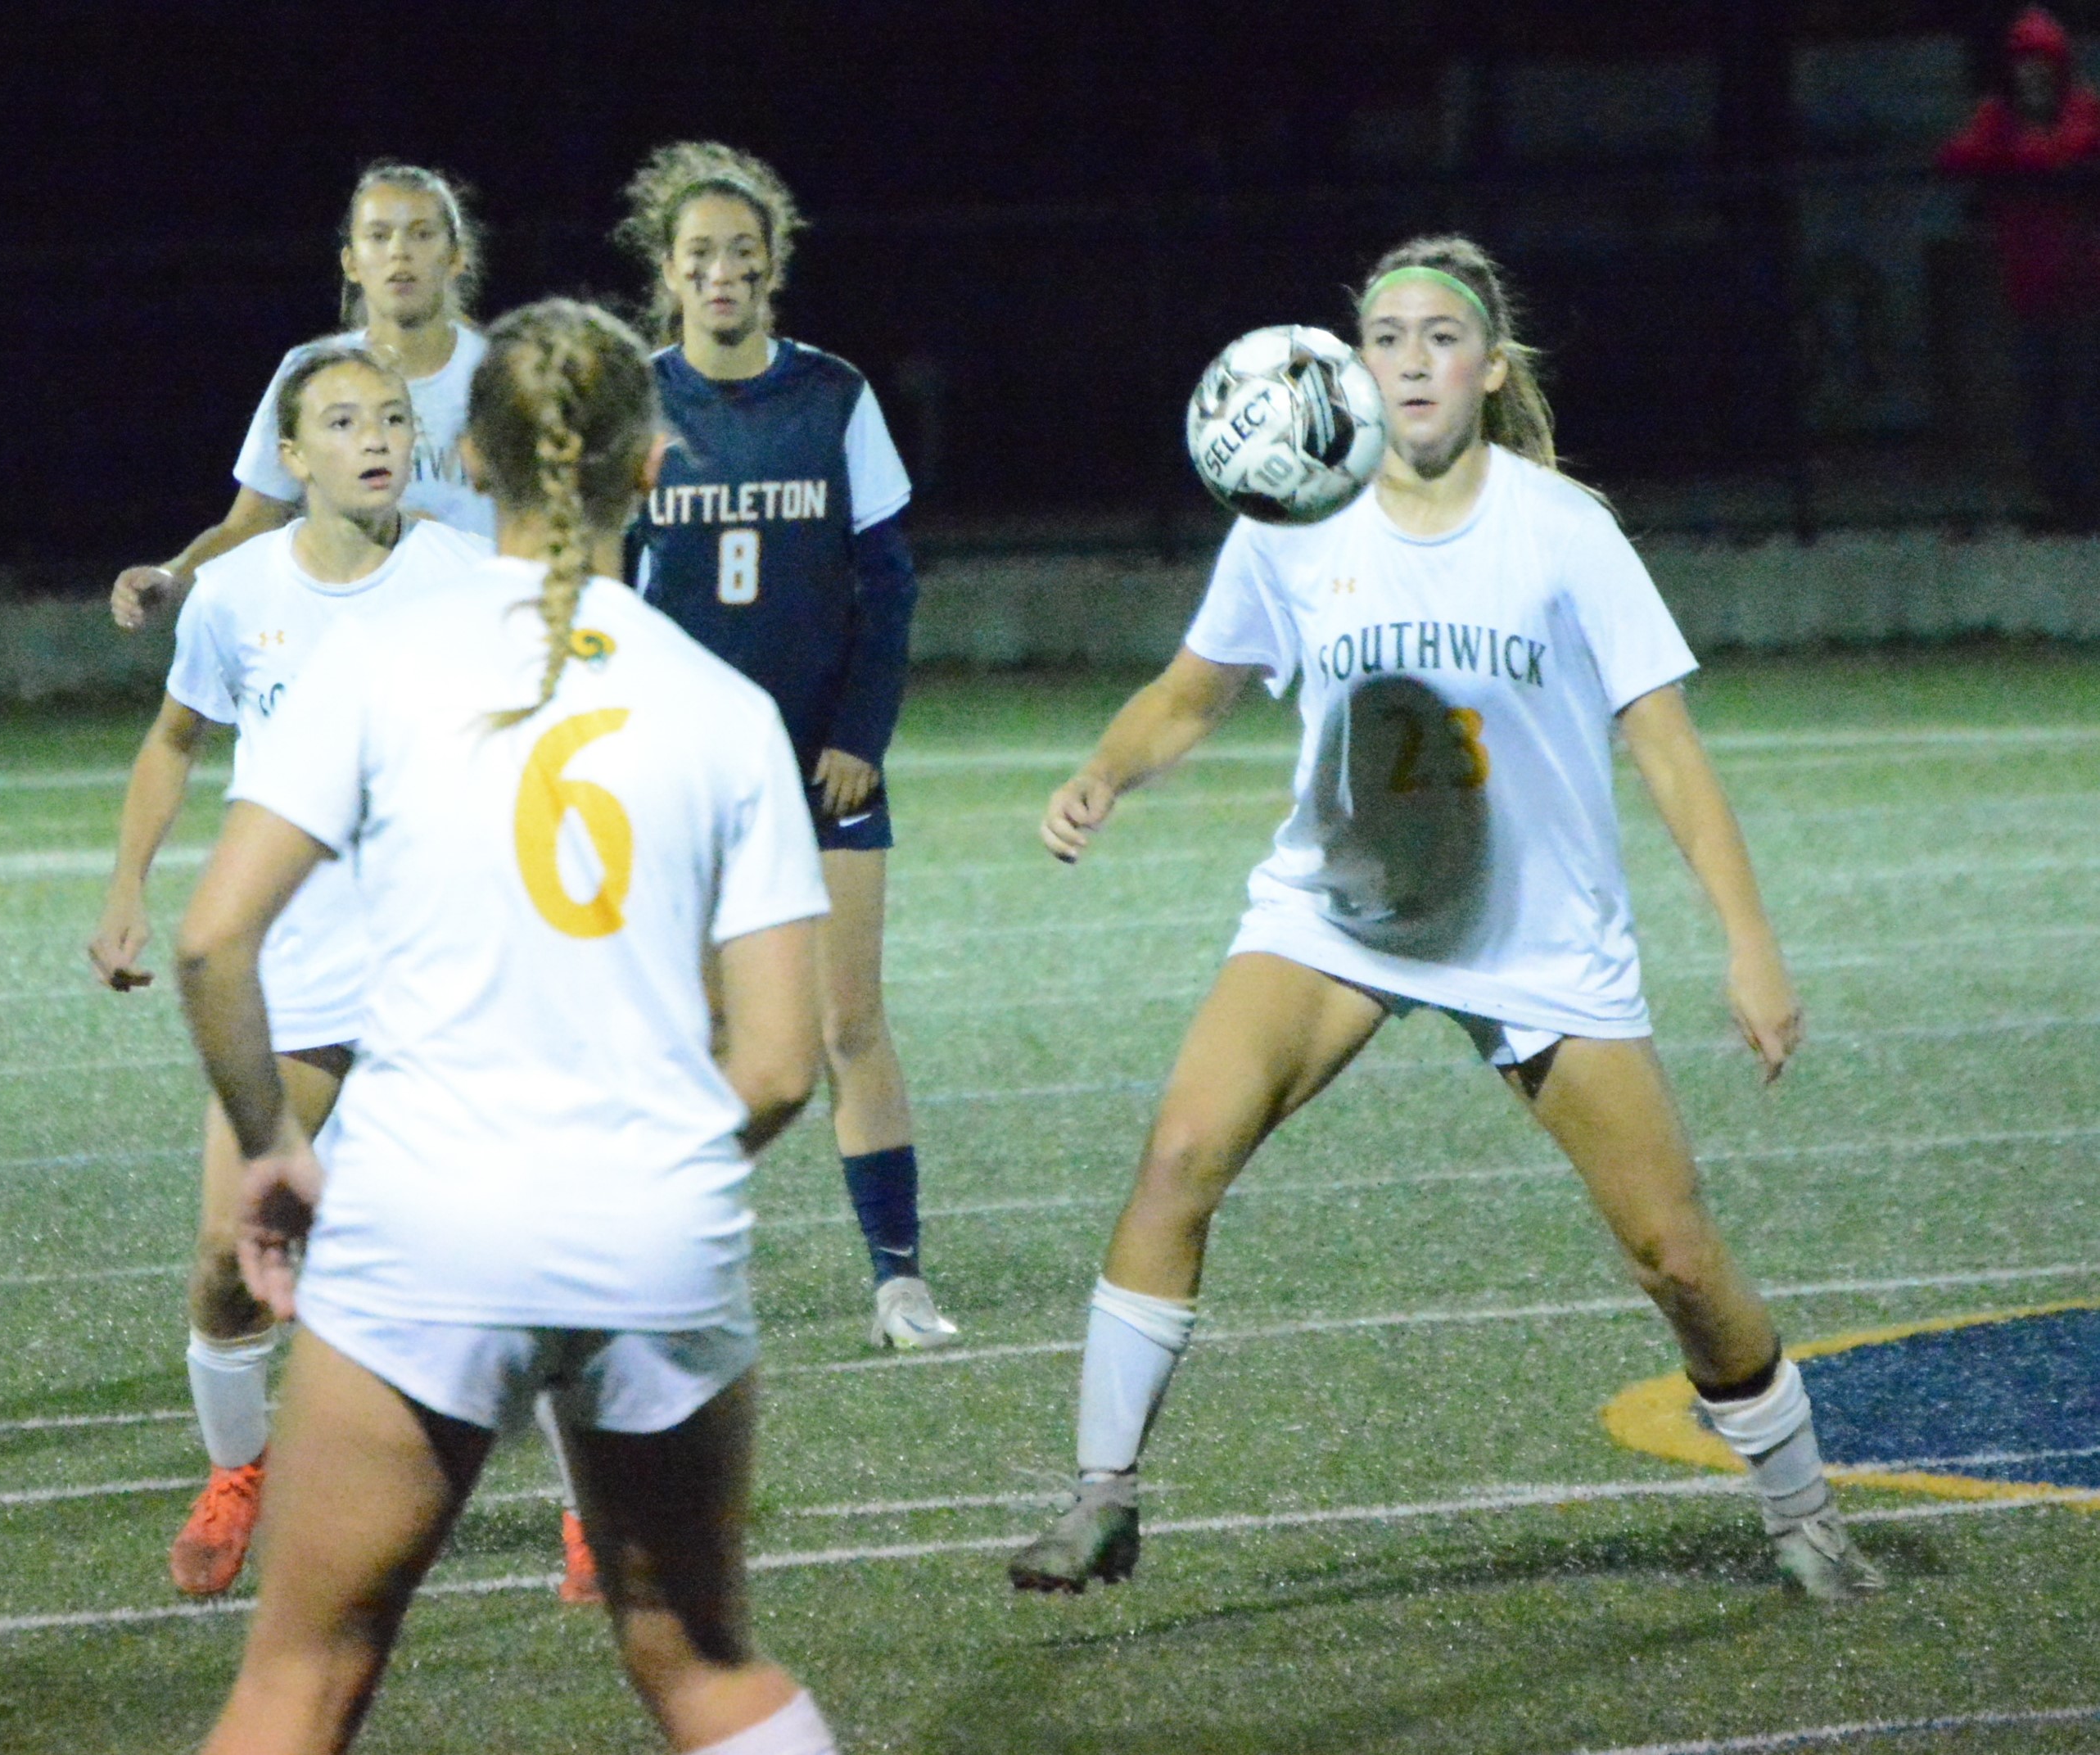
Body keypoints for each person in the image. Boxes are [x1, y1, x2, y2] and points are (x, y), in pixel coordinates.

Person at [1007, 237, 1884, 1603]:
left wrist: (1750, 942)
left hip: (1534, 934)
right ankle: (1099, 1493)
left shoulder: (1561, 531)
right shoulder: (1292, 515)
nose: (1411, 360)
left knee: (1675, 1252)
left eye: (1438, 337)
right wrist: (1101, 774)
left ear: (1487, 366)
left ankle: (1805, 1512)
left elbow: (1663, 745)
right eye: (1386, 337)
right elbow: (1191, 691)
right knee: (1180, 1149)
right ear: (1351, 367)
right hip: (1337, 917)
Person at [174, 298, 839, 1755]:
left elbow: (214, 939)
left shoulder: (379, 667)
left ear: (465, 457)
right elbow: (785, 1063)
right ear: (653, 467)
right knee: (705, 1666)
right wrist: (642, 1158)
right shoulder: (725, 708)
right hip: (654, 1224)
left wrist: (277, 1147)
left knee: (300, 1681)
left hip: (430, 1213)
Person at [88, 345, 490, 1595]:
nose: (373, 437)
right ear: (293, 453)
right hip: (297, 976)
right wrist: (126, 892)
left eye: (390, 418)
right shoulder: (235, 590)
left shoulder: (468, 579)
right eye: (341, 421)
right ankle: (239, 1469)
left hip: (441, 977)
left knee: (520, 1256)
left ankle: (600, 1511)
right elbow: (173, 738)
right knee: (227, 1252)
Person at [617, 142, 955, 1355]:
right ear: (668, 271)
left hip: (821, 765)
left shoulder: (835, 396)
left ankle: (899, 1279)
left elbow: (889, 583)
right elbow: (597, 595)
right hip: (683, 778)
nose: (722, 274)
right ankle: (682, 1278)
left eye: (741, 257)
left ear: (772, 272)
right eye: (699, 255)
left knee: (846, 1021)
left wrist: (860, 734)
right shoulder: (634, 401)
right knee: (699, 1034)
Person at [111, 161, 494, 631]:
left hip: (479, 640)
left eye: (420, 234)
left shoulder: (502, 373)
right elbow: (251, 524)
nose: (399, 253)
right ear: (351, 262)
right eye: (378, 235)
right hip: (351, 642)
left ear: (456, 256)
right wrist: (173, 575)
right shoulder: (312, 374)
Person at [1937, 6, 2100, 529]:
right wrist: (2003, 138)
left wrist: (2019, 151)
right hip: (2028, 287)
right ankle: (2056, 500)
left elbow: (2070, 149)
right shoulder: (2000, 121)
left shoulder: (2082, 113)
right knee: (2041, 399)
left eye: (2043, 63)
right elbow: (1954, 158)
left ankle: (2087, 501)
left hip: (2083, 288)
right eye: (2024, 64)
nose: (2033, 73)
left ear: (2060, 68)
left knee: (2084, 395)